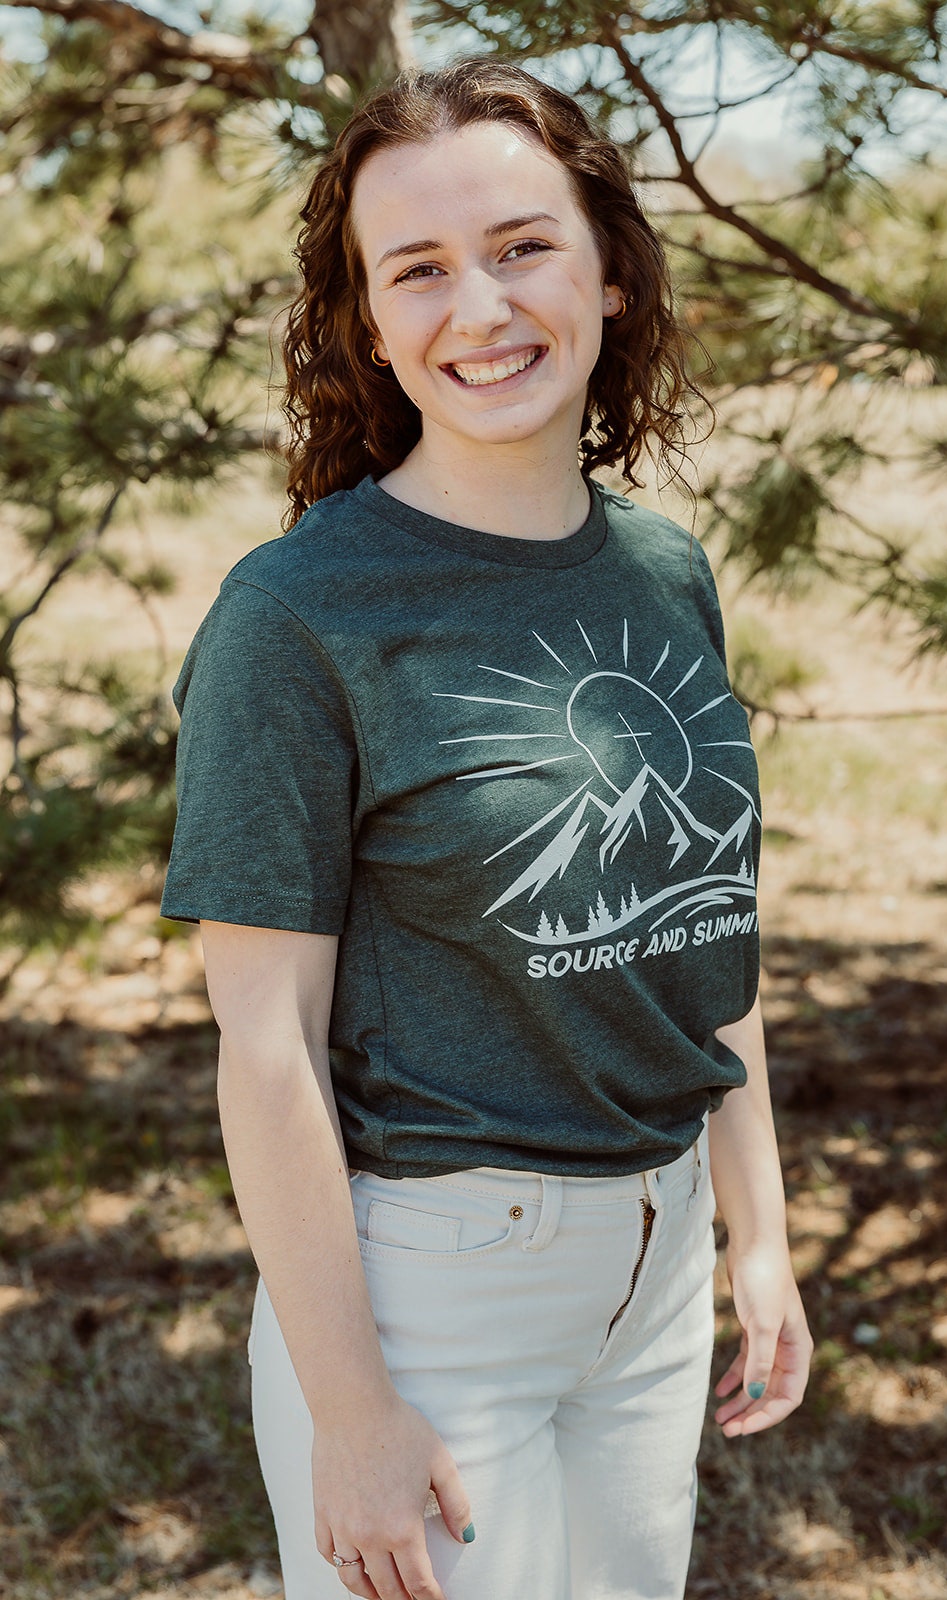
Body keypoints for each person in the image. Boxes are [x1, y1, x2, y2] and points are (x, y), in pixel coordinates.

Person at [161, 57, 813, 1600]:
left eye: (521, 246)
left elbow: (704, 920)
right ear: (369, 323)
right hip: (430, 1297)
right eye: (420, 270)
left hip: (653, 1278)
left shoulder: (663, 568)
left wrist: (758, 1231)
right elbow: (264, 1044)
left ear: (606, 264)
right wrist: (355, 1409)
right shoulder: (297, 616)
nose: (483, 307)